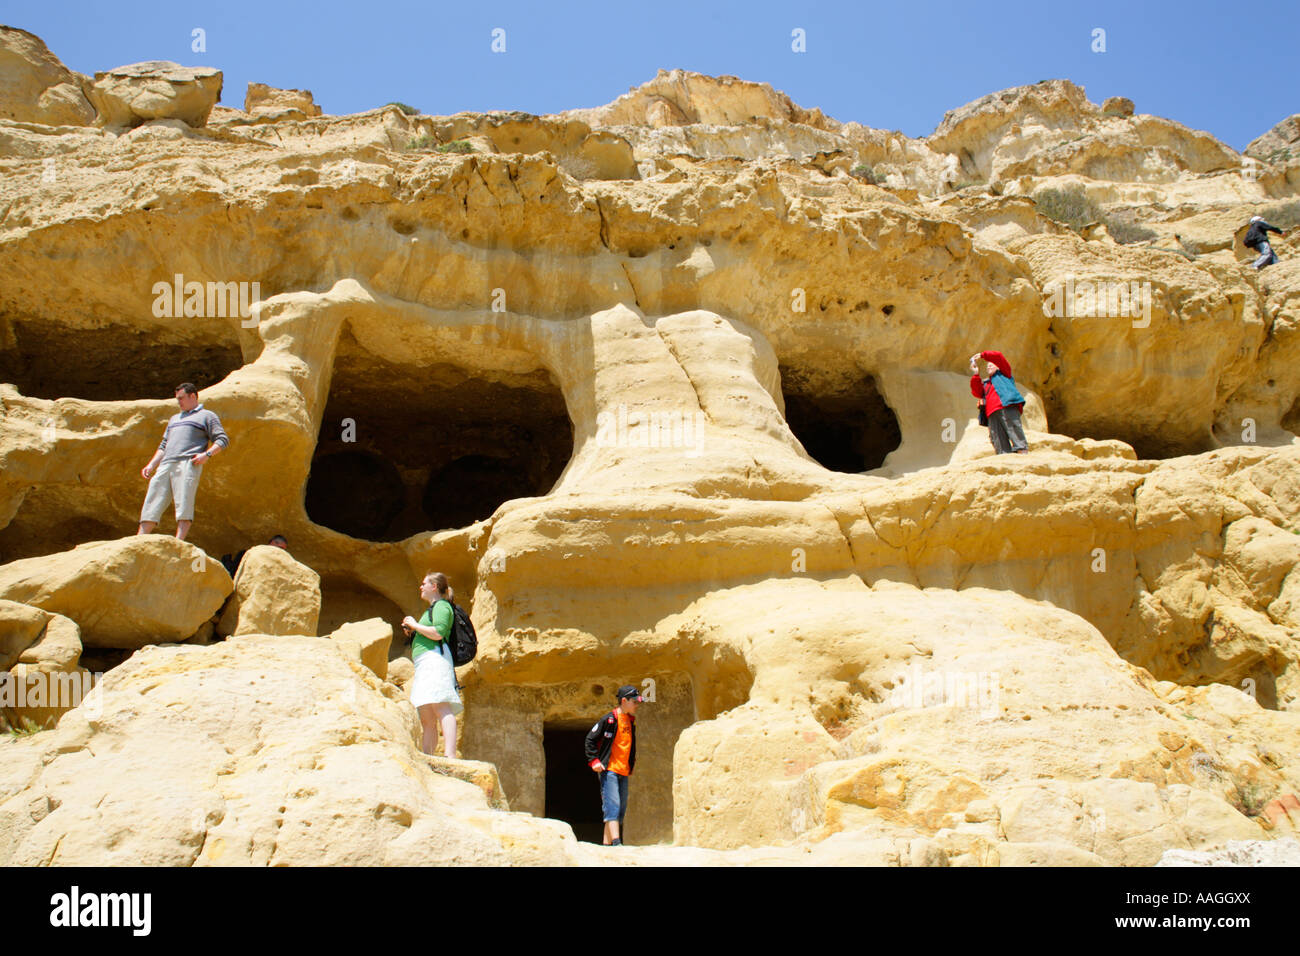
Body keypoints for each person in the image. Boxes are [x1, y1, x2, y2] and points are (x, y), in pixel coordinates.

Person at [137, 383, 229, 541]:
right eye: (177, 399)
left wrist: (206, 455)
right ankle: (139, 539)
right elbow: (164, 445)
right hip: (166, 463)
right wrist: (151, 464)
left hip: (188, 462)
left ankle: (179, 541)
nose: (178, 402)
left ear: (192, 396)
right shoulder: (174, 419)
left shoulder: (207, 415)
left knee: (184, 502)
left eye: (181, 398)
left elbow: (222, 439)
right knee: (153, 497)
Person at [402, 572, 463, 758]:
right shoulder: (431, 609)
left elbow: (438, 633)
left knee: (441, 705)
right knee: (426, 713)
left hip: (435, 660)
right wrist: (412, 631)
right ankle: (428, 757)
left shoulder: (442, 606)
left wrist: (414, 624)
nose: (421, 587)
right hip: (424, 663)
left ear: (434, 586)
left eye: (424, 584)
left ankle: (450, 756)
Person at [584, 685, 645, 846]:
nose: (637, 705)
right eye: (634, 702)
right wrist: (594, 761)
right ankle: (617, 842)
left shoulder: (630, 721)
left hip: (623, 771)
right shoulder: (609, 719)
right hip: (609, 770)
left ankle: (606, 846)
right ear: (624, 701)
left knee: (620, 808)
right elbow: (590, 739)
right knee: (613, 806)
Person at [970, 350, 1028, 455]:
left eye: (991, 365)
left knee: (1013, 428)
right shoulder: (986, 383)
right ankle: (1004, 455)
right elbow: (977, 392)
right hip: (991, 413)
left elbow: (998, 356)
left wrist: (983, 355)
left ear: (998, 366)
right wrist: (976, 374)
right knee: (996, 436)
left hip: (1006, 406)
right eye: (987, 366)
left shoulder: (1004, 374)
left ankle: (1022, 451)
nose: (988, 367)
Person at [220, 535, 289, 577]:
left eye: (283, 549)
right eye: (280, 548)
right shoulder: (256, 551)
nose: (281, 551)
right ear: (272, 543)